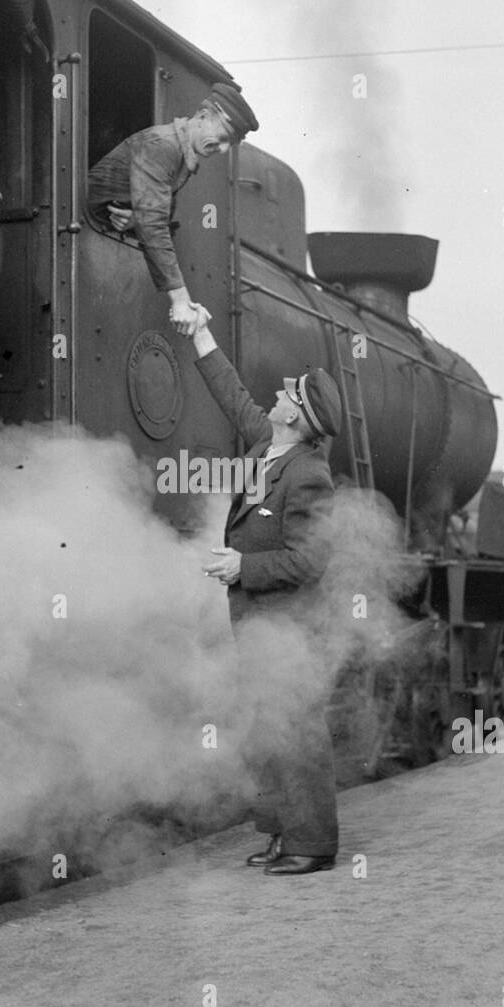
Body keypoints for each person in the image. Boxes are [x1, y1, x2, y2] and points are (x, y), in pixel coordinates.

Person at [186, 307, 344, 875]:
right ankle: (282, 836)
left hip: (290, 628)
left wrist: (242, 566)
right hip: (257, 623)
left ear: (299, 418)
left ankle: (313, 846)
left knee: (298, 732)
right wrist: (201, 332)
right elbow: (232, 395)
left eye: (289, 393)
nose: (277, 393)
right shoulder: (264, 447)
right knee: (267, 729)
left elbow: (310, 560)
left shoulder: (308, 475)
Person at [86, 83, 258, 335]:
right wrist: (179, 300)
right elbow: (154, 226)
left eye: (229, 144)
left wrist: (137, 220)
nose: (222, 149)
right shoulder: (162, 145)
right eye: (224, 137)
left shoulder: (181, 156)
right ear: (202, 117)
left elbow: (157, 216)